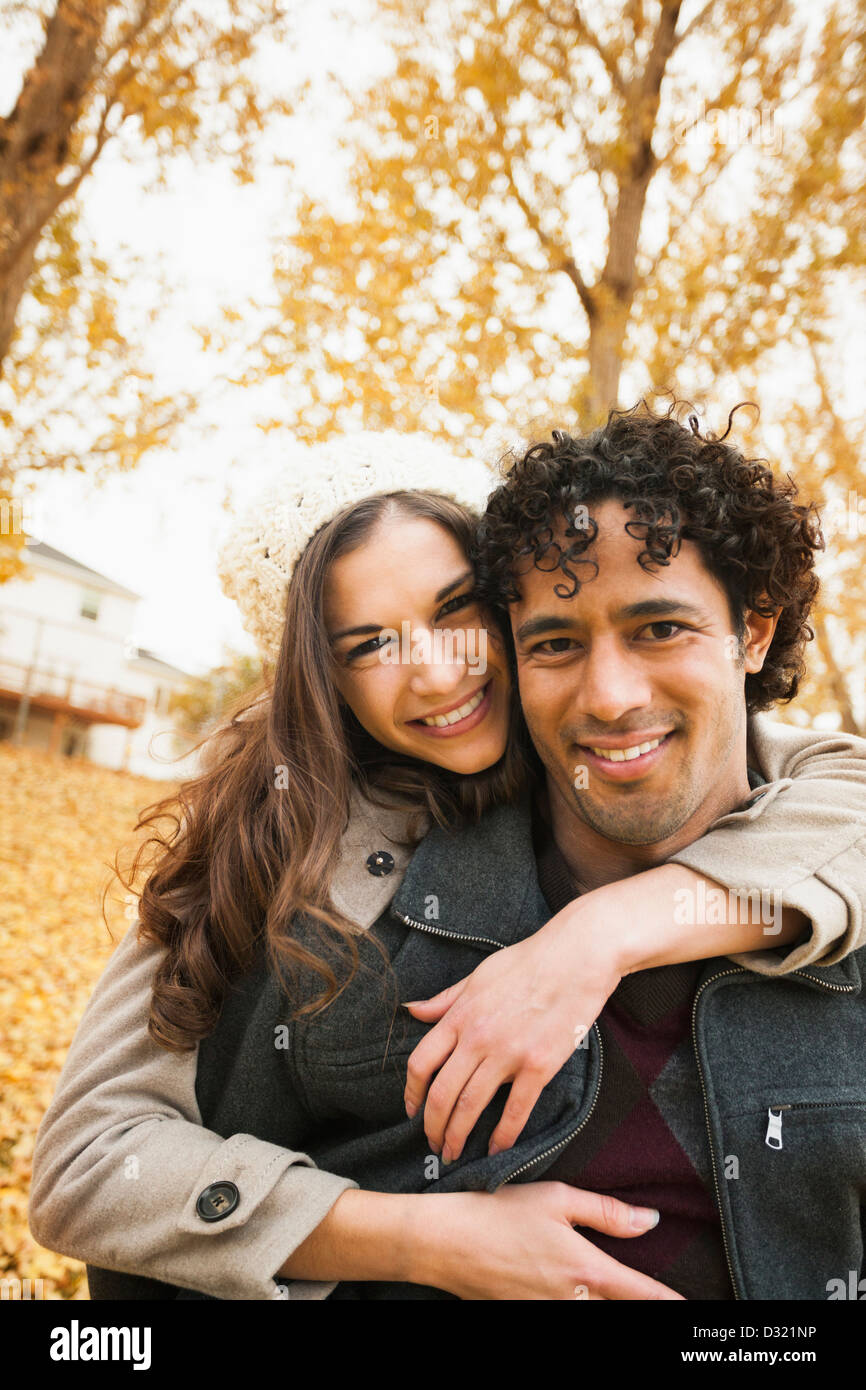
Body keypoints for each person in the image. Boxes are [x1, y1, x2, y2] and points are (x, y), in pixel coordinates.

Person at [28, 422, 866, 1300]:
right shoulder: (295, 846)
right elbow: (99, 1162)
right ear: (327, 681)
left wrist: (598, 935)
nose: (436, 675)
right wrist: (422, 1241)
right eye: (370, 644)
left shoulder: (793, 792)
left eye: (454, 611)